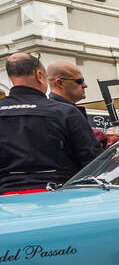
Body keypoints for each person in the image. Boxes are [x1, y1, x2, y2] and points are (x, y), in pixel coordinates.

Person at [0, 52, 102, 193]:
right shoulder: (64, 112)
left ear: (11, 77)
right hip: (59, 196)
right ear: (39, 75)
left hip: (6, 200)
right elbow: (93, 161)